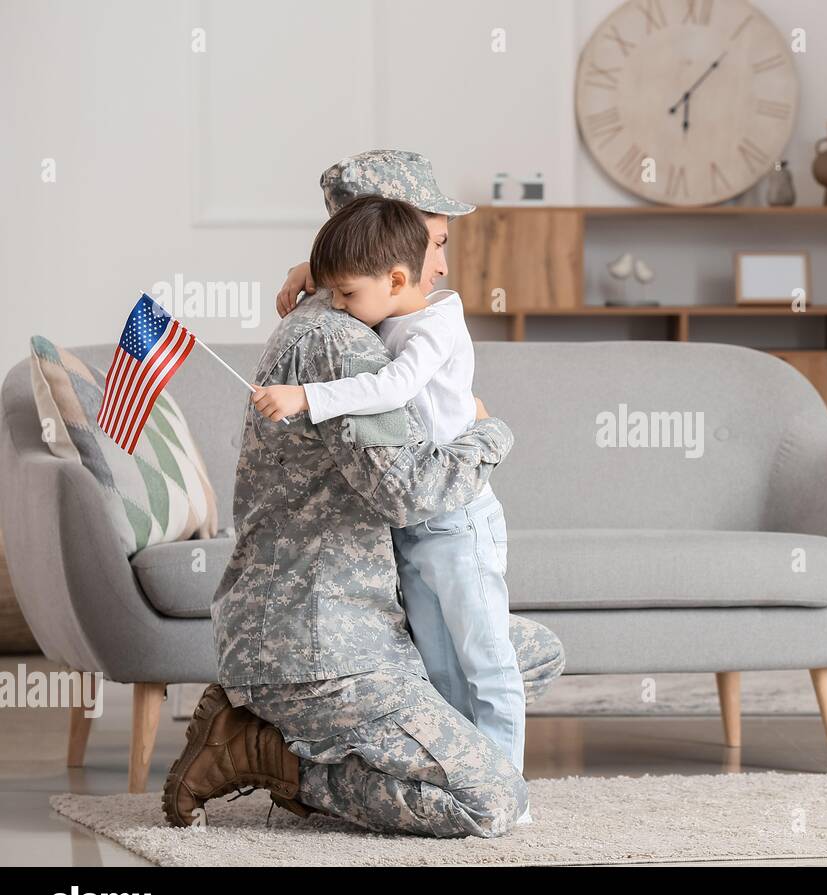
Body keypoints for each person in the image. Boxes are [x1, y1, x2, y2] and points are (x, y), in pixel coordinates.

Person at [162, 150, 563, 837]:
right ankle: (268, 753)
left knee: (533, 653)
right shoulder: (341, 344)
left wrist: (310, 268)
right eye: (432, 243)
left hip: (358, 623)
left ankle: (425, 749)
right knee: (492, 803)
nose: (440, 269)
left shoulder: (345, 316)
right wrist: (488, 430)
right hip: (323, 648)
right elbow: (411, 495)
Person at [250, 195, 527, 780]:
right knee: (439, 663)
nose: (340, 307)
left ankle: (504, 785)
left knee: (488, 661)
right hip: (415, 529)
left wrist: (309, 397)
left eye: (347, 297)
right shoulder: (388, 303)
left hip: (457, 519)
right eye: (335, 296)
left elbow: (394, 387)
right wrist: (315, 276)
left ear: (397, 278)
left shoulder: (435, 326)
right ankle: (466, 770)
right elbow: (365, 276)